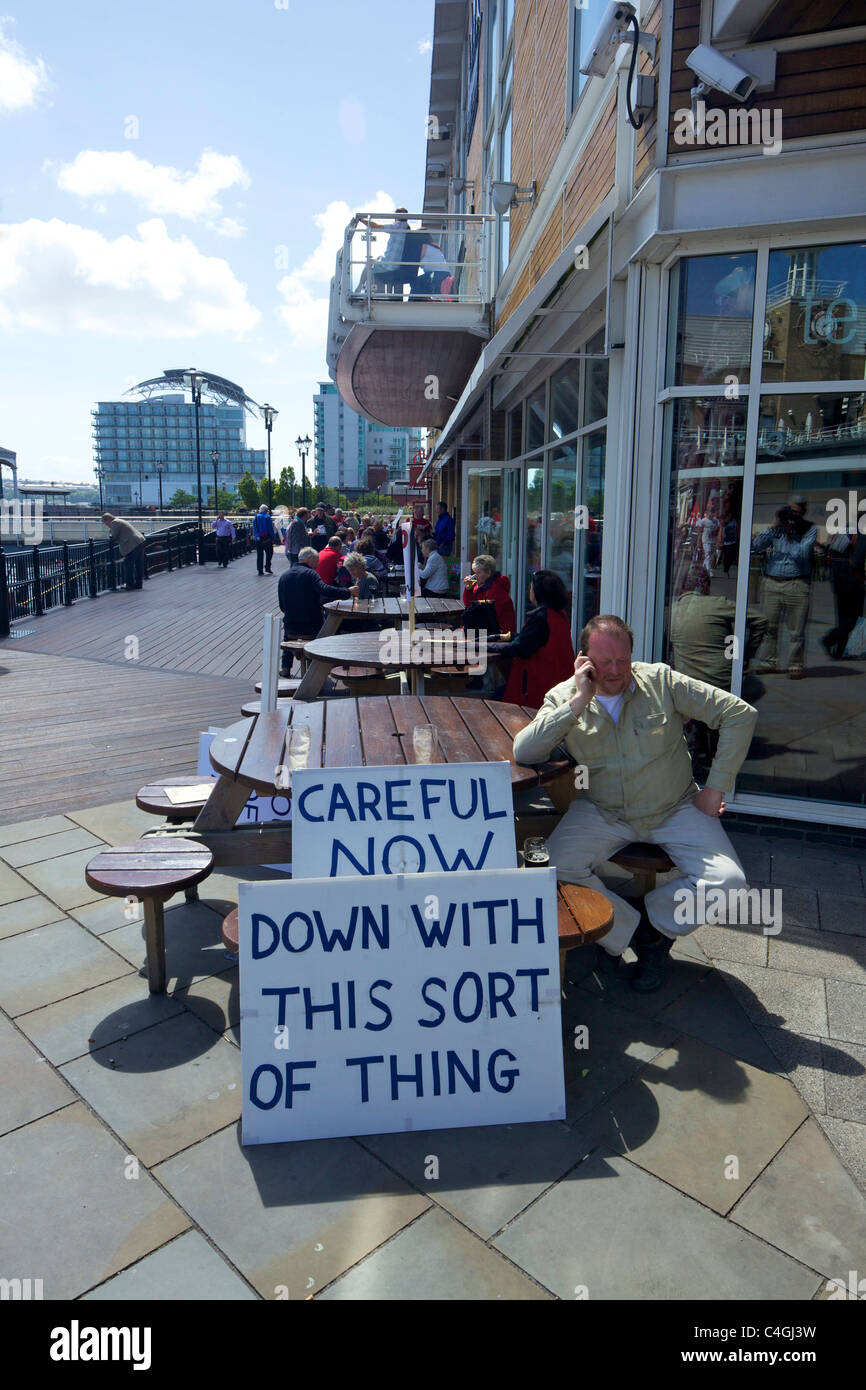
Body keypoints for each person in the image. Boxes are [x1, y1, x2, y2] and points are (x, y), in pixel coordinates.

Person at [513, 614, 758, 992]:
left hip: (674, 806)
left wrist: (716, 787)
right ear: (583, 659)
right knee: (552, 867)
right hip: (602, 809)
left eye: (622, 660)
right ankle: (624, 929)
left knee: (729, 882)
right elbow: (525, 750)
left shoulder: (661, 680)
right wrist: (580, 699)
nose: (615, 671)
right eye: (604, 662)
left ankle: (653, 929)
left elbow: (739, 714)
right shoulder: (565, 697)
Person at [489, 570, 575, 707]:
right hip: (559, 684)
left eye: (531, 587)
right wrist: (512, 636)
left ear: (537, 592)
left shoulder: (540, 618)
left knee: (495, 702)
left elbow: (519, 648)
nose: (529, 591)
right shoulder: (559, 613)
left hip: (537, 691)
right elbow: (539, 640)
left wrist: (479, 646)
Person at [751, 503, 817, 678]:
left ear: (802, 514)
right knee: (769, 627)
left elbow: (801, 554)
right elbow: (757, 545)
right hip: (772, 582)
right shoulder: (776, 531)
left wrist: (789, 535)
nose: (791, 517)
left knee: (797, 630)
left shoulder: (808, 530)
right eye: (788, 514)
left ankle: (795, 664)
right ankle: (769, 661)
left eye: (795, 513)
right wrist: (773, 526)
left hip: (797, 584)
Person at [277, 547, 358, 646]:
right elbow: (324, 589)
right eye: (316, 561)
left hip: (290, 626)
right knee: (331, 633)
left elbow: (282, 606)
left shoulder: (284, 576)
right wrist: (347, 591)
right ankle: (317, 659)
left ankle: (286, 660)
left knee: (287, 653)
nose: (316, 566)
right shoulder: (310, 573)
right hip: (311, 626)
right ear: (309, 558)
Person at [823, 531, 866, 659]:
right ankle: (830, 639)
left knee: (842, 617)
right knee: (855, 617)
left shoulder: (844, 531)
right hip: (853, 581)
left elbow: (831, 552)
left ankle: (839, 652)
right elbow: (858, 559)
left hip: (839, 580)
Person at [462, 554, 517, 634]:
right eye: (474, 573)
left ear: (488, 573)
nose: (475, 576)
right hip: (489, 631)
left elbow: (485, 617)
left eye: (478, 573)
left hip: (501, 635)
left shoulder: (496, 590)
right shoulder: (482, 586)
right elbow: (469, 605)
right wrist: (468, 590)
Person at [102, 512, 146, 590]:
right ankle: (139, 584)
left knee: (128, 565)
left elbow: (114, 536)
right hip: (139, 541)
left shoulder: (114, 522)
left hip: (132, 544)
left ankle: (130, 584)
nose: (107, 525)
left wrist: (110, 536)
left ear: (108, 520)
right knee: (138, 564)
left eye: (106, 523)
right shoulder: (120, 520)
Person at [253, 505, 276, 575]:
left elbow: (254, 528)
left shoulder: (256, 517)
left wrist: (257, 536)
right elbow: (270, 528)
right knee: (269, 553)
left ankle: (260, 570)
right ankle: (267, 567)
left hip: (258, 539)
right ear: (265, 510)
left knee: (259, 555)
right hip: (267, 538)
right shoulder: (267, 517)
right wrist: (273, 537)